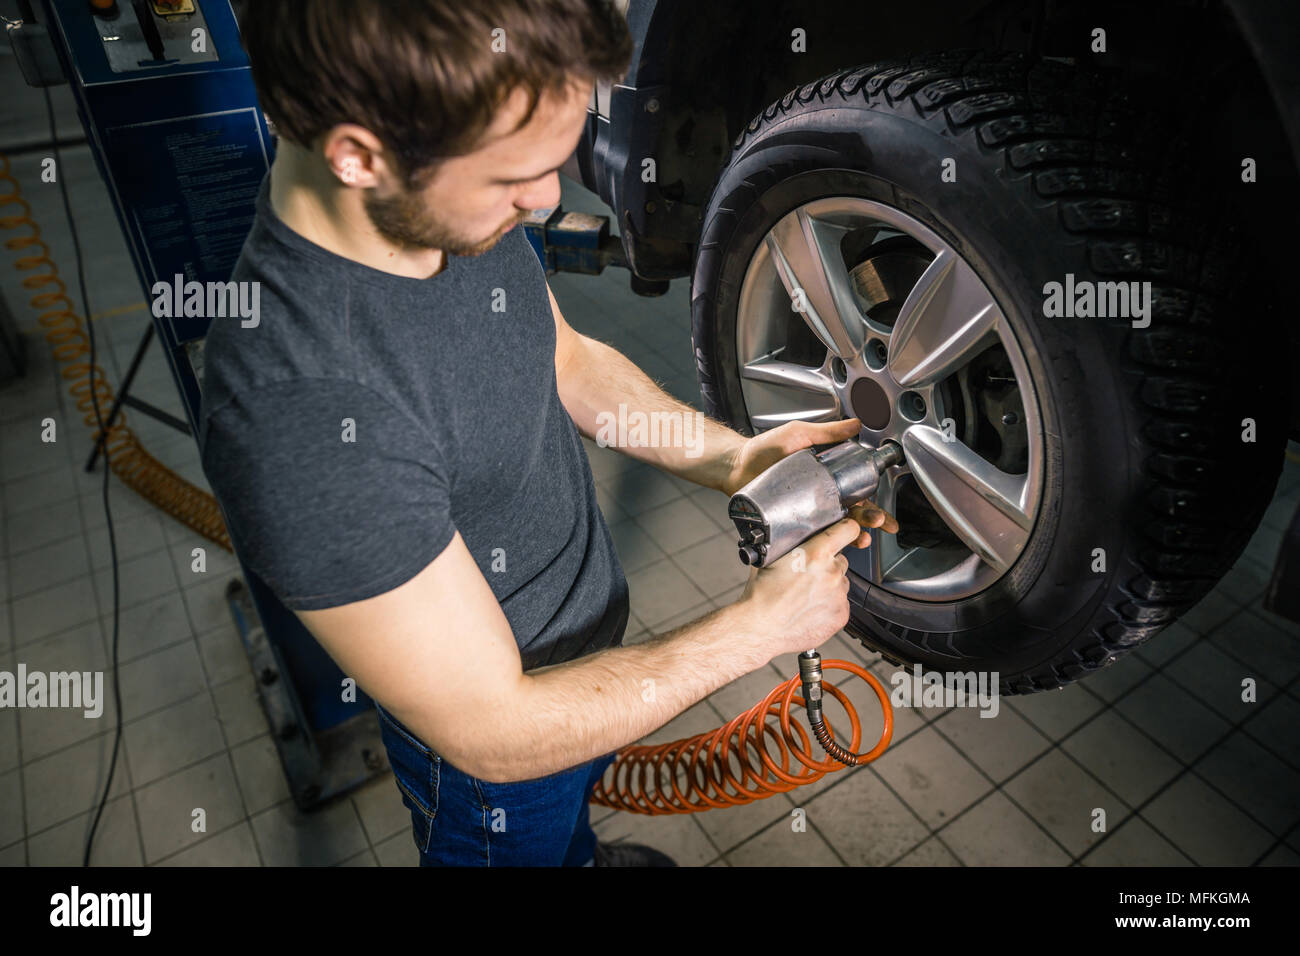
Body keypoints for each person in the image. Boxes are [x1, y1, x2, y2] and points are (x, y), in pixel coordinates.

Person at [199, 0, 897, 867]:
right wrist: (760, 630)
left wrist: (731, 456)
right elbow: (497, 732)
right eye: (512, 179)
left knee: (568, 834)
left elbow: (560, 357)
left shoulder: (441, 194)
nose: (542, 205)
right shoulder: (297, 415)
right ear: (357, 155)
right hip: (505, 765)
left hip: (584, 666)